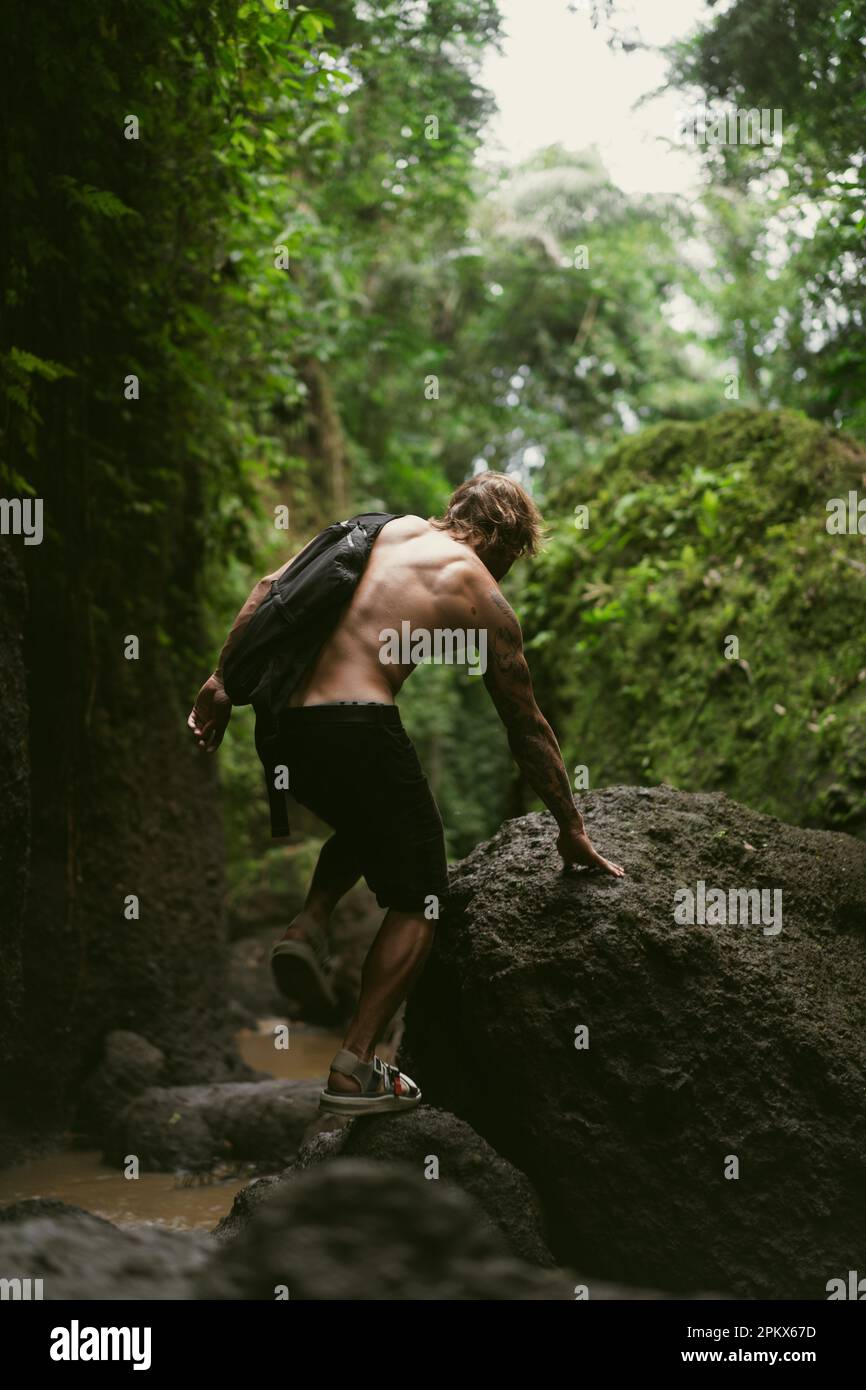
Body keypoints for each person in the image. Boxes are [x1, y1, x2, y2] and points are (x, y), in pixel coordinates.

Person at [188, 472, 624, 1116]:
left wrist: (222, 679)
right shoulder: (478, 588)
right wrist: (571, 824)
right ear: (500, 538)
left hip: (285, 729)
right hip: (358, 725)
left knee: (374, 826)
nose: (505, 574)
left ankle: (308, 924)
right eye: (512, 558)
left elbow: (266, 589)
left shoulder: (378, 531)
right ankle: (354, 1068)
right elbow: (525, 724)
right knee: (422, 892)